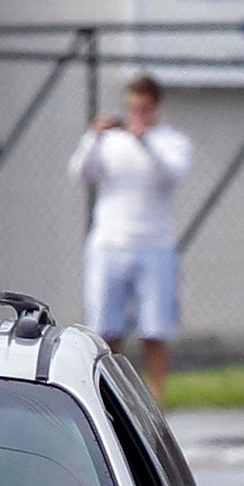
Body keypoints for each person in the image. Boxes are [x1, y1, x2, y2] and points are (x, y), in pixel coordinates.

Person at [68, 72, 193, 385]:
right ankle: (105, 391)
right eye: (132, 107)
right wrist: (94, 137)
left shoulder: (171, 141)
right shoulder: (109, 141)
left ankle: (156, 397)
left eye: (144, 108)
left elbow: (171, 174)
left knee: (155, 329)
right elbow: (80, 173)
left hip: (155, 244)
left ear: (156, 106)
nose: (136, 114)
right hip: (109, 242)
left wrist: (143, 140)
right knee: (106, 328)